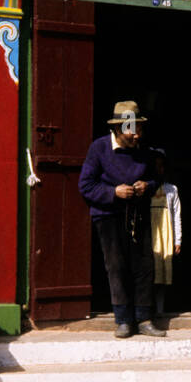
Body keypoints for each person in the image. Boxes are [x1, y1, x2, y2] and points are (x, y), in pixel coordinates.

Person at [78, 101, 167, 338]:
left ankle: (145, 319)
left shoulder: (144, 150)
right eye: (131, 129)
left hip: (138, 214)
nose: (137, 134)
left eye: (139, 128)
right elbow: (85, 185)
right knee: (116, 266)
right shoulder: (99, 148)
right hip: (108, 215)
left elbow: (156, 179)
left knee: (144, 266)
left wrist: (145, 186)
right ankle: (124, 320)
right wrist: (112, 193)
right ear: (118, 129)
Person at [149, 150, 182, 317]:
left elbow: (176, 215)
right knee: (148, 274)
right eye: (155, 166)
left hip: (165, 238)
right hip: (149, 238)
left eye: (161, 167)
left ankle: (160, 310)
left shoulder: (171, 190)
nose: (158, 170)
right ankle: (145, 311)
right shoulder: (144, 189)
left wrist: (178, 240)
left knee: (161, 276)